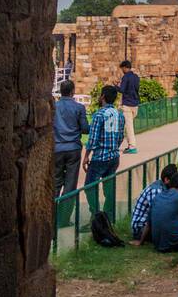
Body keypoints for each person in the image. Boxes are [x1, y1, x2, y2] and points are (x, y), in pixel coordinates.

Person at [83, 84, 126, 214]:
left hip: (100, 157)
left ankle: (96, 215)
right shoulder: (119, 115)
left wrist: (86, 156)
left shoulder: (99, 115)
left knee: (89, 187)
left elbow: (92, 139)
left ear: (102, 96)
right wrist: (113, 148)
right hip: (114, 157)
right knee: (109, 188)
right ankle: (108, 215)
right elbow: (120, 137)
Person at [53, 79, 89, 224]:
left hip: (57, 148)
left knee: (55, 183)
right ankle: (63, 219)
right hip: (73, 148)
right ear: (73, 91)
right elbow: (85, 128)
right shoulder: (79, 107)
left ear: (61, 91)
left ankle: (51, 216)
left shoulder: (54, 107)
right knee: (70, 184)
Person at [130, 164, 178, 244]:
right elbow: (159, 215)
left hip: (148, 225)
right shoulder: (156, 191)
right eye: (175, 181)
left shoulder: (163, 188)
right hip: (140, 229)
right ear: (166, 180)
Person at [117, 59, 140, 153]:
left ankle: (132, 146)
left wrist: (115, 86)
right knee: (130, 126)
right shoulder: (136, 77)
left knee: (129, 127)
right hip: (135, 104)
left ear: (125, 68)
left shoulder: (125, 77)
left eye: (122, 68)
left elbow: (122, 90)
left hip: (127, 104)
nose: (122, 70)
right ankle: (130, 144)